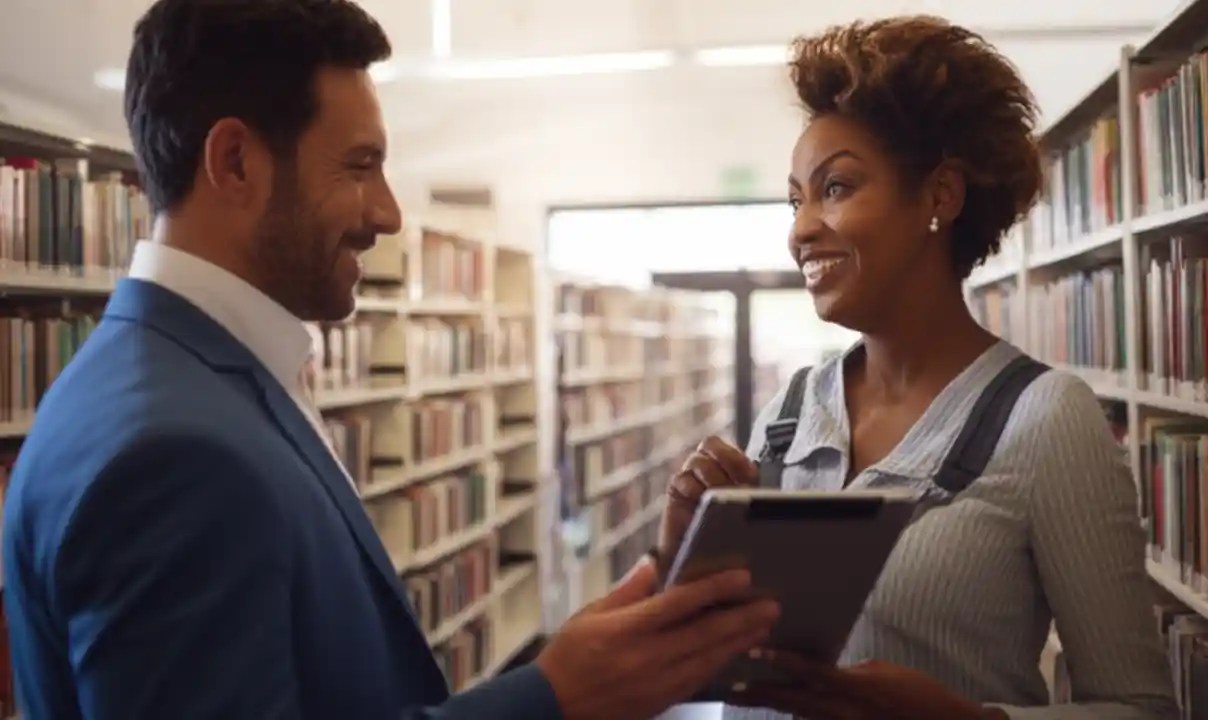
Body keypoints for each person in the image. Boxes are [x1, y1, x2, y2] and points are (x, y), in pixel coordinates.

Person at [0, 1, 779, 719]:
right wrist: (551, 700)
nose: (389, 212)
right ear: (236, 162)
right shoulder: (171, 451)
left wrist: (579, 668)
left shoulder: (172, 380)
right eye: (359, 164)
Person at [657, 16, 1180, 720]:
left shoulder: (1047, 418)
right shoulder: (791, 411)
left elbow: (1139, 709)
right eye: (796, 198)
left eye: (835, 188)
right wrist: (682, 547)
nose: (801, 227)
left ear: (939, 197)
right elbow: (715, 660)